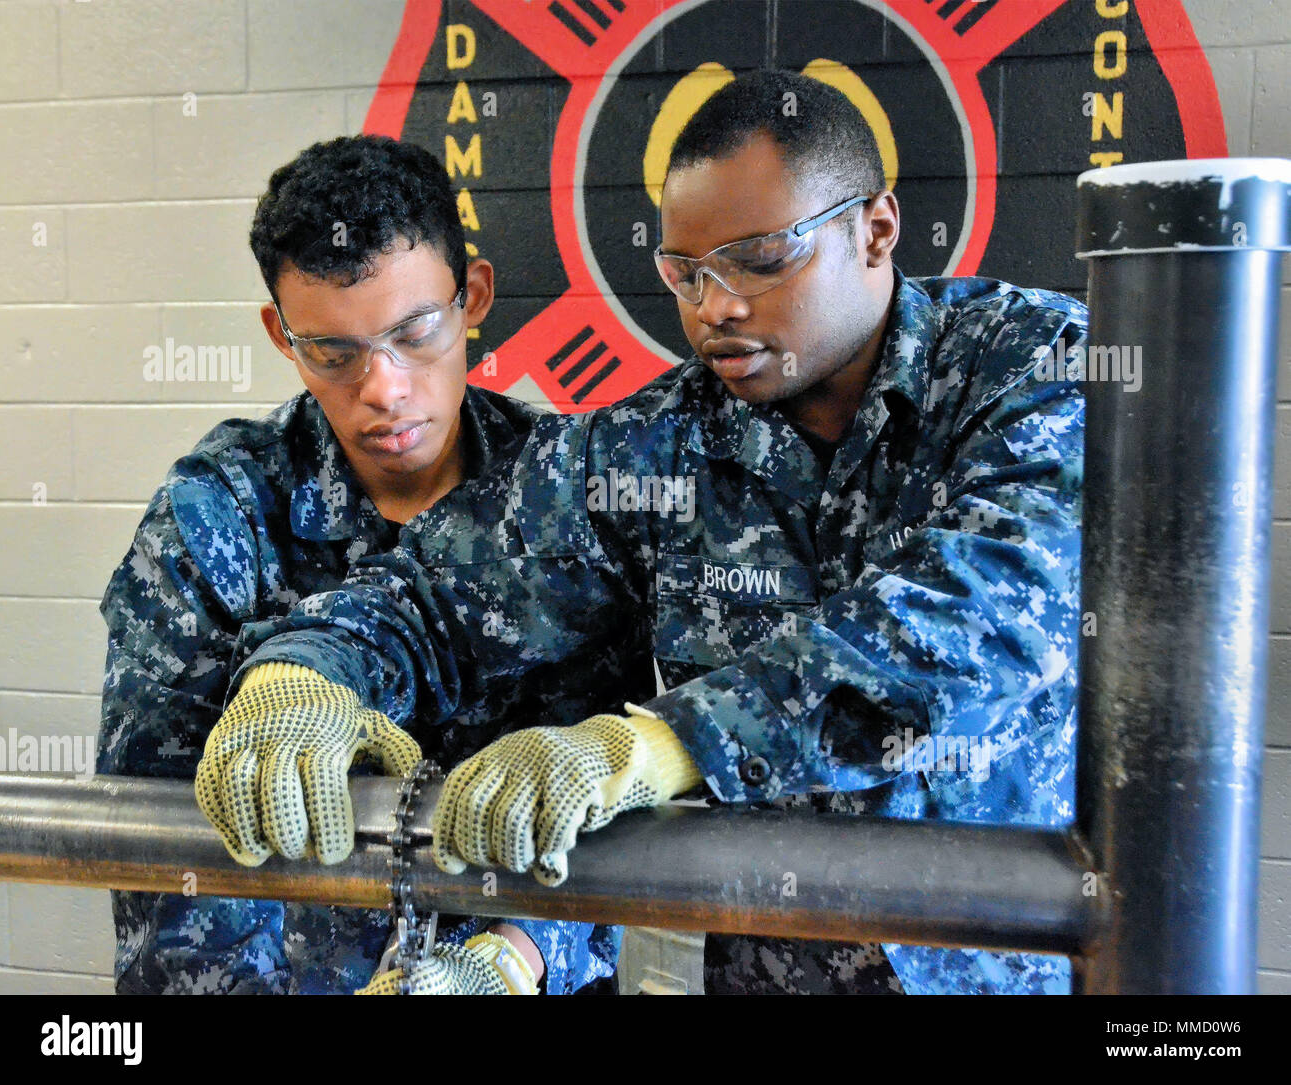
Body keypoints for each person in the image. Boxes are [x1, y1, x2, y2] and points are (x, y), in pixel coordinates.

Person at [204, 71, 1087, 994]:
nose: (717, 307)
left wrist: (655, 746)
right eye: (687, 273)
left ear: (875, 230)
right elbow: (433, 590)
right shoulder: (652, 450)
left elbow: (985, 618)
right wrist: (295, 677)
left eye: (759, 259)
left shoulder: (1029, 367)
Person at [97, 134, 619, 995]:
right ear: (282, 335)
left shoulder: (562, 494)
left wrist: (512, 960)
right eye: (334, 355)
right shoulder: (216, 517)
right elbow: (165, 856)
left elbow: (609, 806)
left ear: (473, 298)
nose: (383, 388)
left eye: (414, 333)